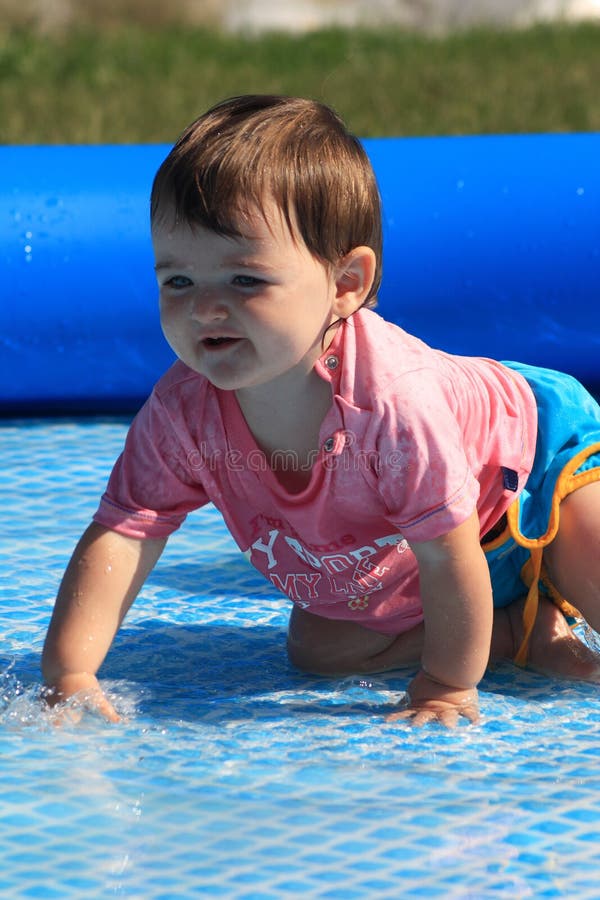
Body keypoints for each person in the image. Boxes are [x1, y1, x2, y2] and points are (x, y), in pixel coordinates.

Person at [42, 95, 600, 728]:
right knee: (320, 652)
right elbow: (123, 532)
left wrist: (445, 686)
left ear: (346, 285)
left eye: (245, 280)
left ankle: (541, 590)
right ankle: (518, 631)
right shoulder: (182, 414)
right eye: (178, 282)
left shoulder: (390, 403)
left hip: (537, 470)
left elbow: (449, 554)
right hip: (447, 547)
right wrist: (70, 674)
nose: (204, 309)